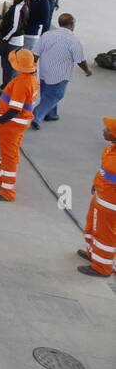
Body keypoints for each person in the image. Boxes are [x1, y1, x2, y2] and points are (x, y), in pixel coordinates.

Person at [0, 48, 38, 203]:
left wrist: (1, 120)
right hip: (17, 125)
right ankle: (1, 180)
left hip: (11, 125)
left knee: (8, 156)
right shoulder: (30, 79)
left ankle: (7, 191)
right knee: (7, 153)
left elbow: (15, 109)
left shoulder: (22, 82)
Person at [31, 13, 92, 128]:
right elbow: (80, 60)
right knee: (55, 95)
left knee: (47, 94)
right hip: (60, 74)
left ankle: (51, 114)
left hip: (44, 71)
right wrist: (87, 70)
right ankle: (36, 116)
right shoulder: (74, 41)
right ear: (72, 24)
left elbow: (35, 53)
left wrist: (32, 67)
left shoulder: (47, 35)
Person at [77, 118, 116, 278]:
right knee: (93, 226)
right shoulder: (111, 149)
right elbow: (104, 173)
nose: (104, 130)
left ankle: (102, 267)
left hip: (110, 203)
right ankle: (93, 253)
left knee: (105, 235)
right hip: (102, 197)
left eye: (108, 129)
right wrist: (95, 183)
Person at [0, 0, 31, 91]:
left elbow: (14, 28)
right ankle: (5, 87)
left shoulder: (18, 8)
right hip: (15, 41)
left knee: (8, 68)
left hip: (12, 42)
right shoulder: (22, 6)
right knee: (8, 67)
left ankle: (6, 90)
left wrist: (5, 38)